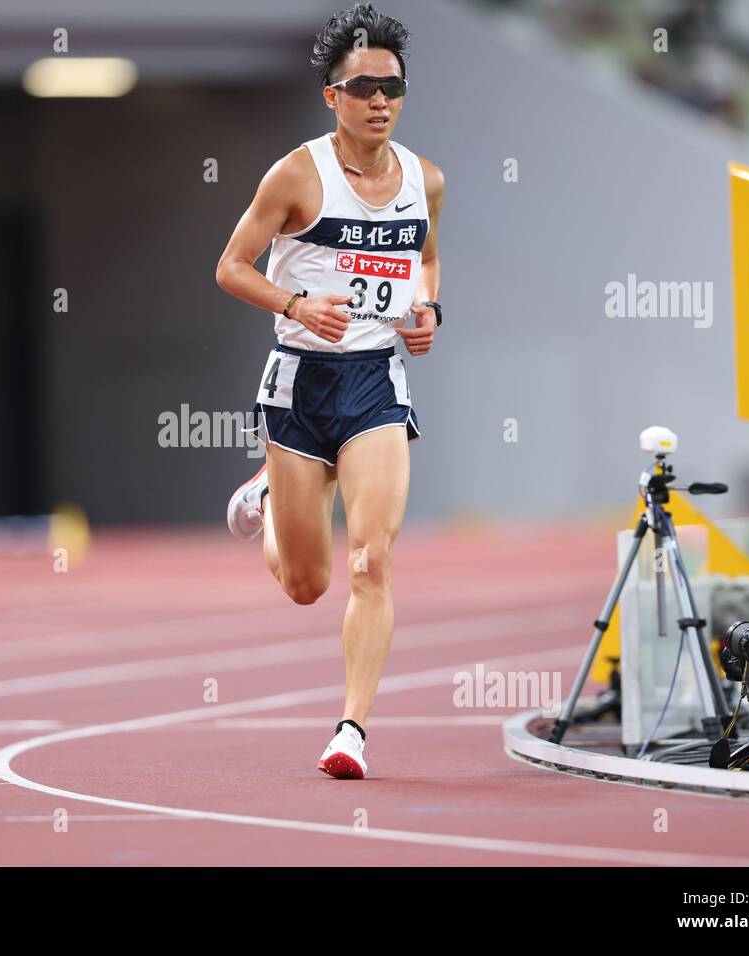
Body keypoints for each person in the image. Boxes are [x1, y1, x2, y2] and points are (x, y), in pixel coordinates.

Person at [215, 3, 445, 779]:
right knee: (307, 585)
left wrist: (428, 311)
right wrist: (295, 304)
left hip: (376, 381)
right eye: (363, 86)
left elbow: (427, 261)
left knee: (370, 562)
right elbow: (231, 267)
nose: (380, 100)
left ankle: (351, 730)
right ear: (332, 96)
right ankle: (276, 501)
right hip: (298, 383)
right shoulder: (295, 175)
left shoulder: (426, 181)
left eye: (393, 86)